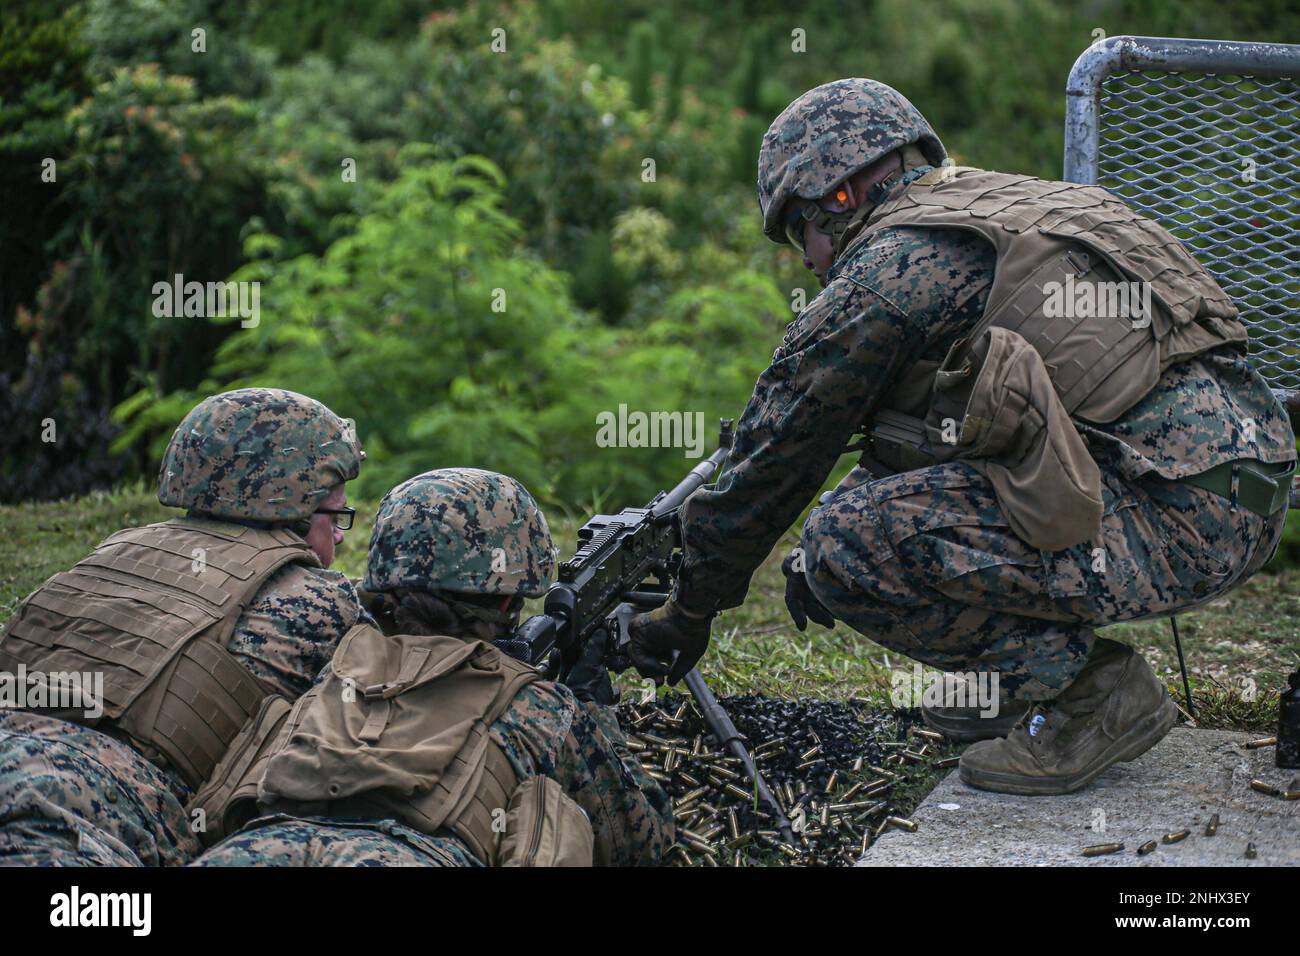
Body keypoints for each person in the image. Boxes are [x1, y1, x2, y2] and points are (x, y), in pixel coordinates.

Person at [626, 78, 1296, 795]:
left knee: (840, 544)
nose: (808, 261)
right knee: (862, 526)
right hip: (1249, 490)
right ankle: (1013, 687)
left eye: (801, 231)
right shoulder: (1018, 209)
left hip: (1181, 518)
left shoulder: (888, 272)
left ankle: (1092, 696)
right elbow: (957, 430)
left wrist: (690, 607)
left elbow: (776, 456)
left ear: (840, 197)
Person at [191, 468, 672, 866]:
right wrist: (592, 702)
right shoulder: (539, 708)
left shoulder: (331, 669)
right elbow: (642, 838)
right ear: (509, 596)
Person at [0, 387, 368, 863]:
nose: (339, 533)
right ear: (292, 508)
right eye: (336, 515)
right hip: (80, 799)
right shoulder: (323, 602)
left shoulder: (118, 550)